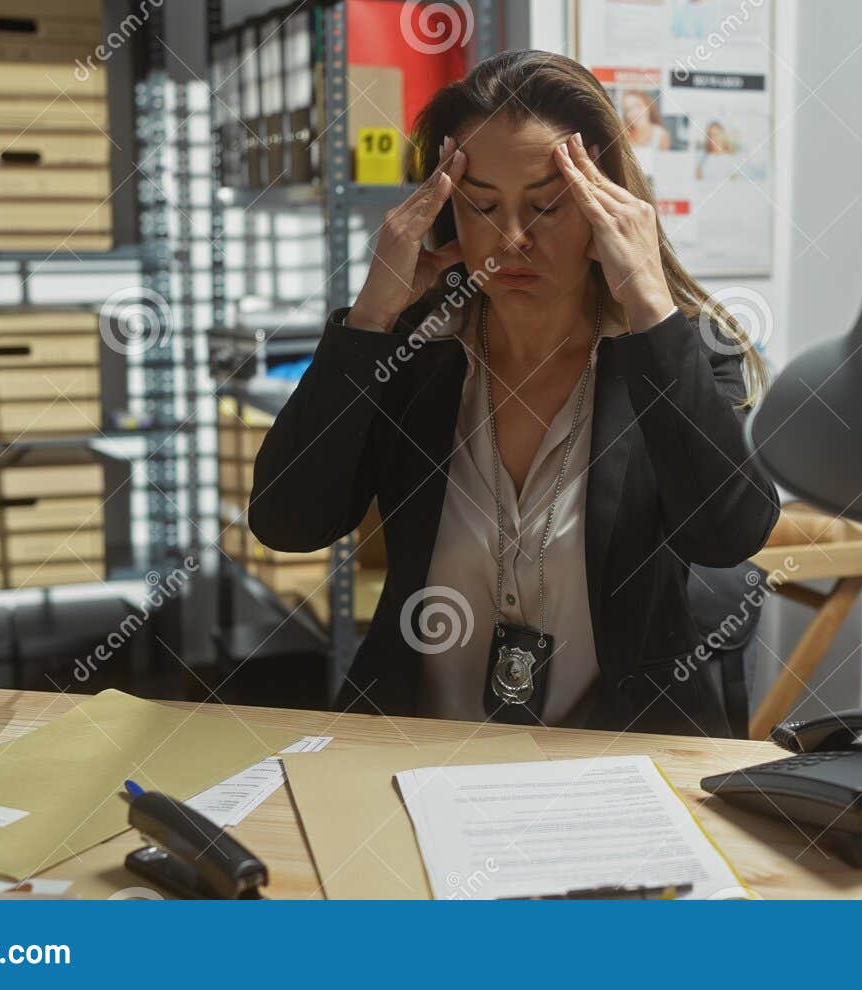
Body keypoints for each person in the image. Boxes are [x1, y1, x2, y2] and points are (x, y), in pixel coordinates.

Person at [248, 49, 779, 736]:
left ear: (606, 206)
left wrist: (649, 301)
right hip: (416, 748)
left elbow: (727, 534)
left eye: (548, 206)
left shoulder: (677, 348)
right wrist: (370, 320)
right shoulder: (413, 352)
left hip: (621, 763)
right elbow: (287, 522)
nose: (512, 239)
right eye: (482, 206)